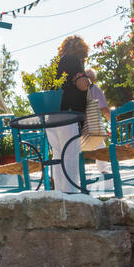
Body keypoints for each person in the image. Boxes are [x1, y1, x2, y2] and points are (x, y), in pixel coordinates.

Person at [49, 36, 91, 193]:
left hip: (52, 116)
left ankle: (59, 193)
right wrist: (88, 80)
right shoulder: (74, 60)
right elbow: (81, 85)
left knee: (58, 155)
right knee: (70, 155)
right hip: (69, 115)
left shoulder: (56, 64)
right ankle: (71, 194)